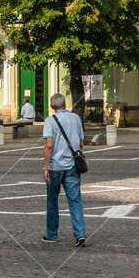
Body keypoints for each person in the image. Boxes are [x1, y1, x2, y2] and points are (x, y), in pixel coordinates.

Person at [41, 92, 87, 247]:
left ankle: (51, 234)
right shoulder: (76, 118)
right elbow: (81, 142)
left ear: (52, 106)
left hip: (55, 166)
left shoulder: (50, 120)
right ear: (65, 104)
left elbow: (49, 145)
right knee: (75, 200)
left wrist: (45, 166)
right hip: (73, 165)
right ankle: (80, 233)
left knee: (52, 201)